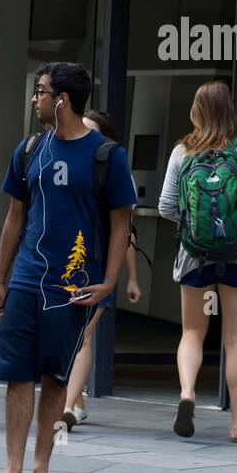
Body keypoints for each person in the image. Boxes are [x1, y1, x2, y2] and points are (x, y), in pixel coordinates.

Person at [0, 63, 135, 473]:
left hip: (73, 287)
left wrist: (108, 283)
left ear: (62, 100)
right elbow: (14, 219)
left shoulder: (107, 156)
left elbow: (121, 225)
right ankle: (11, 472)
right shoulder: (30, 148)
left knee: (54, 377)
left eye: (41, 92)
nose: (36, 99)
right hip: (28, 279)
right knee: (16, 375)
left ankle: (41, 472)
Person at [158, 80, 237, 442]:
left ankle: (187, 393)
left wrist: (194, 222)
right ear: (230, 111)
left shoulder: (182, 151)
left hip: (194, 255)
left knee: (192, 333)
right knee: (234, 338)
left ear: (196, 112)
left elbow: (167, 205)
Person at [62, 109, 142, 429]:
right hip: (63, 262)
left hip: (96, 263)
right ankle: (76, 401)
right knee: (69, 334)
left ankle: (67, 407)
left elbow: (126, 232)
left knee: (82, 334)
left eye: (92, 131)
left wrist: (130, 276)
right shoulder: (64, 165)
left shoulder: (115, 169)